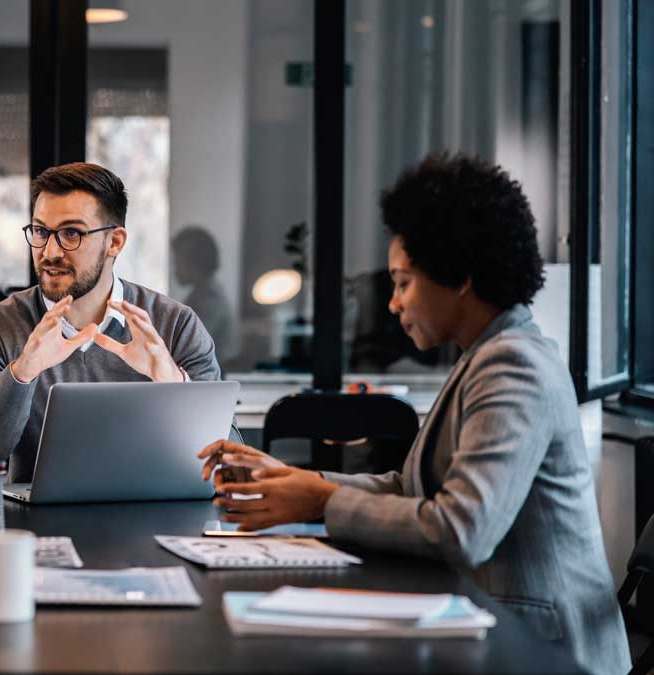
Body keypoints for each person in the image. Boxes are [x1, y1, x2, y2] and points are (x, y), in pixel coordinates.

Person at [198, 152, 628, 675]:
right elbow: (412, 489)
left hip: (545, 651)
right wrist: (298, 481)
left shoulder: (513, 365)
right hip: (494, 626)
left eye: (403, 283)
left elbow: (461, 529)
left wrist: (322, 498)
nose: (393, 304)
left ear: (460, 276)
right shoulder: (486, 353)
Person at [0, 162, 231, 482]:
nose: (50, 251)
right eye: (41, 231)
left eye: (71, 233)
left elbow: (227, 459)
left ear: (115, 242)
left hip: (153, 519)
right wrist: (22, 373)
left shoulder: (175, 325)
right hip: (35, 525)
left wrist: (172, 382)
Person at [171, 226, 236, 366]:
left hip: (212, 379)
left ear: (194, 262)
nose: (174, 269)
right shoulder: (201, 293)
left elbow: (187, 345)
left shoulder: (209, 298)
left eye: (177, 262)